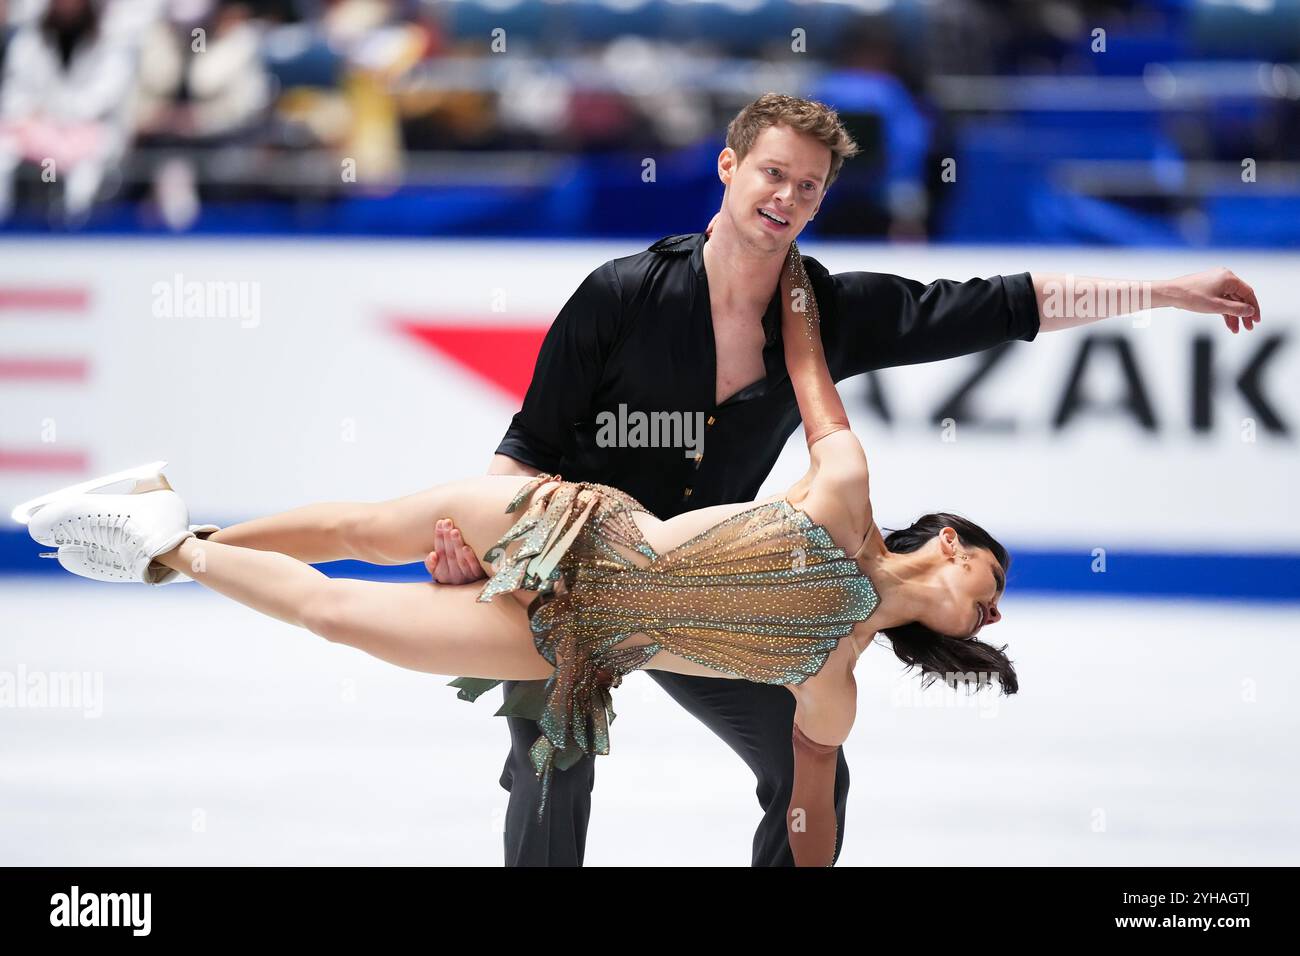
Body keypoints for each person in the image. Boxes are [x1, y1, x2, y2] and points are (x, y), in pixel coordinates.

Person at [407, 93, 1262, 866]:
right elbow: (524, 453)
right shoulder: (621, 295)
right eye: (773, 174)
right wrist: (487, 559)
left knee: (811, 773)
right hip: (577, 580)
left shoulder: (830, 312)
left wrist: (1166, 287)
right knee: (553, 753)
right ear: (729, 167)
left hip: (710, 596)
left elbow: (1006, 302)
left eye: (809, 187)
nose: (786, 198)